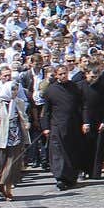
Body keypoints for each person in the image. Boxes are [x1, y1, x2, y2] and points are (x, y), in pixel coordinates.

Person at [40, 62, 85, 191]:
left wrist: (83, 122)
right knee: (58, 152)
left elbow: (80, 106)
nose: (63, 76)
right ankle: (60, 177)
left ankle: (71, 177)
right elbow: (46, 111)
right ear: (56, 75)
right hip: (57, 126)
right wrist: (46, 127)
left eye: (65, 73)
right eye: (60, 74)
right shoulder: (51, 90)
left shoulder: (74, 88)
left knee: (72, 152)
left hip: (73, 125)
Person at [0, 71, 29, 201]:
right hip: (0, 135)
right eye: (12, 90)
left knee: (12, 163)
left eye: (16, 90)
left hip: (15, 135)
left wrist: (26, 124)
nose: (14, 92)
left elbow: (23, 116)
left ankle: (7, 189)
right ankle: (0, 182)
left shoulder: (19, 102)